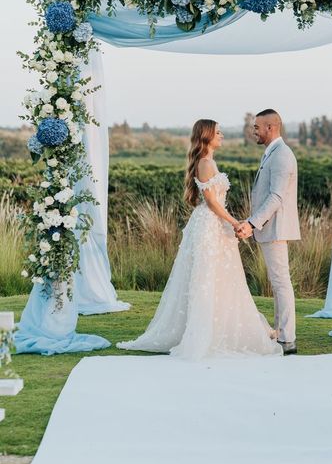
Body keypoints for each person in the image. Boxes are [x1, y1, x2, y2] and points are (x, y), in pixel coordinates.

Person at [117, 119, 281, 360]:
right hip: (210, 226)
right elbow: (212, 202)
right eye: (218, 132)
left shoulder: (209, 161)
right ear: (207, 136)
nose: (222, 135)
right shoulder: (205, 163)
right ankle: (204, 333)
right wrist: (234, 221)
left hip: (216, 225)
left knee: (224, 277)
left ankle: (226, 328)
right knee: (207, 277)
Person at [236, 109, 300, 355]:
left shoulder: (282, 155)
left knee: (281, 282)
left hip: (275, 228)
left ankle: (287, 339)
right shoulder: (272, 153)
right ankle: (281, 333)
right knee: (277, 282)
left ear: (270, 127)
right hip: (270, 227)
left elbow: (276, 197)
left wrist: (251, 224)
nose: (254, 131)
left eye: (257, 127)